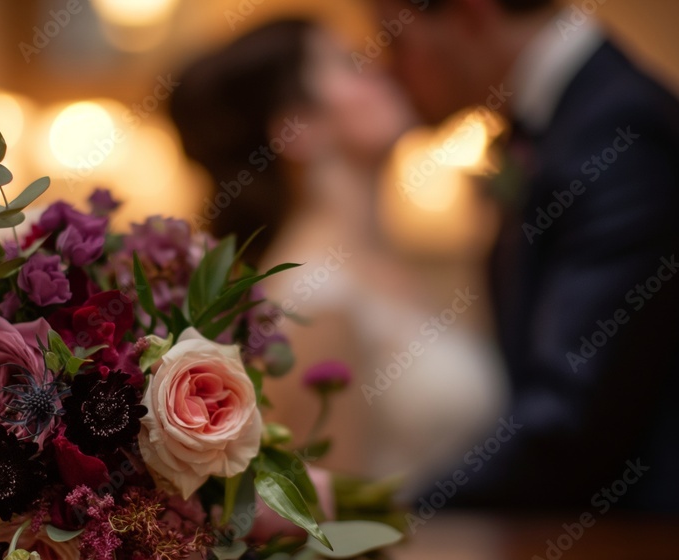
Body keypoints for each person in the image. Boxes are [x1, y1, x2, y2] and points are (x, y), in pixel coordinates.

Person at [169, 19, 505, 482]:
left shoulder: (402, 264)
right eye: (352, 64)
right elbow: (331, 526)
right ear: (299, 127)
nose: (384, 70)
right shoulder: (312, 301)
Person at [374, 0, 679, 509]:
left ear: (471, 14)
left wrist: (388, 514)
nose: (389, 67)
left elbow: (573, 416)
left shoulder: (619, 127)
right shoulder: (564, 119)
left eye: (396, 40)